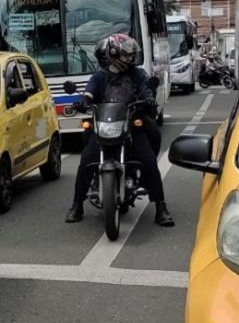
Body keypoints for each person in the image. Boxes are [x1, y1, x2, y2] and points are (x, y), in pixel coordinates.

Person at [66, 33, 174, 227]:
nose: (130, 59)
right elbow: (89, 93)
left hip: (131, 125)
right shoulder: (100, 76)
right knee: (86, 160)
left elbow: (146, 90)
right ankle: (76, 204)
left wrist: (148, 98)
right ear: (114, 55)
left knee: (148, 159)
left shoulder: (138, 74)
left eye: (132, 55)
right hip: (104, 125)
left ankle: (160, 206)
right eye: (126, 55)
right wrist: (84, 102)